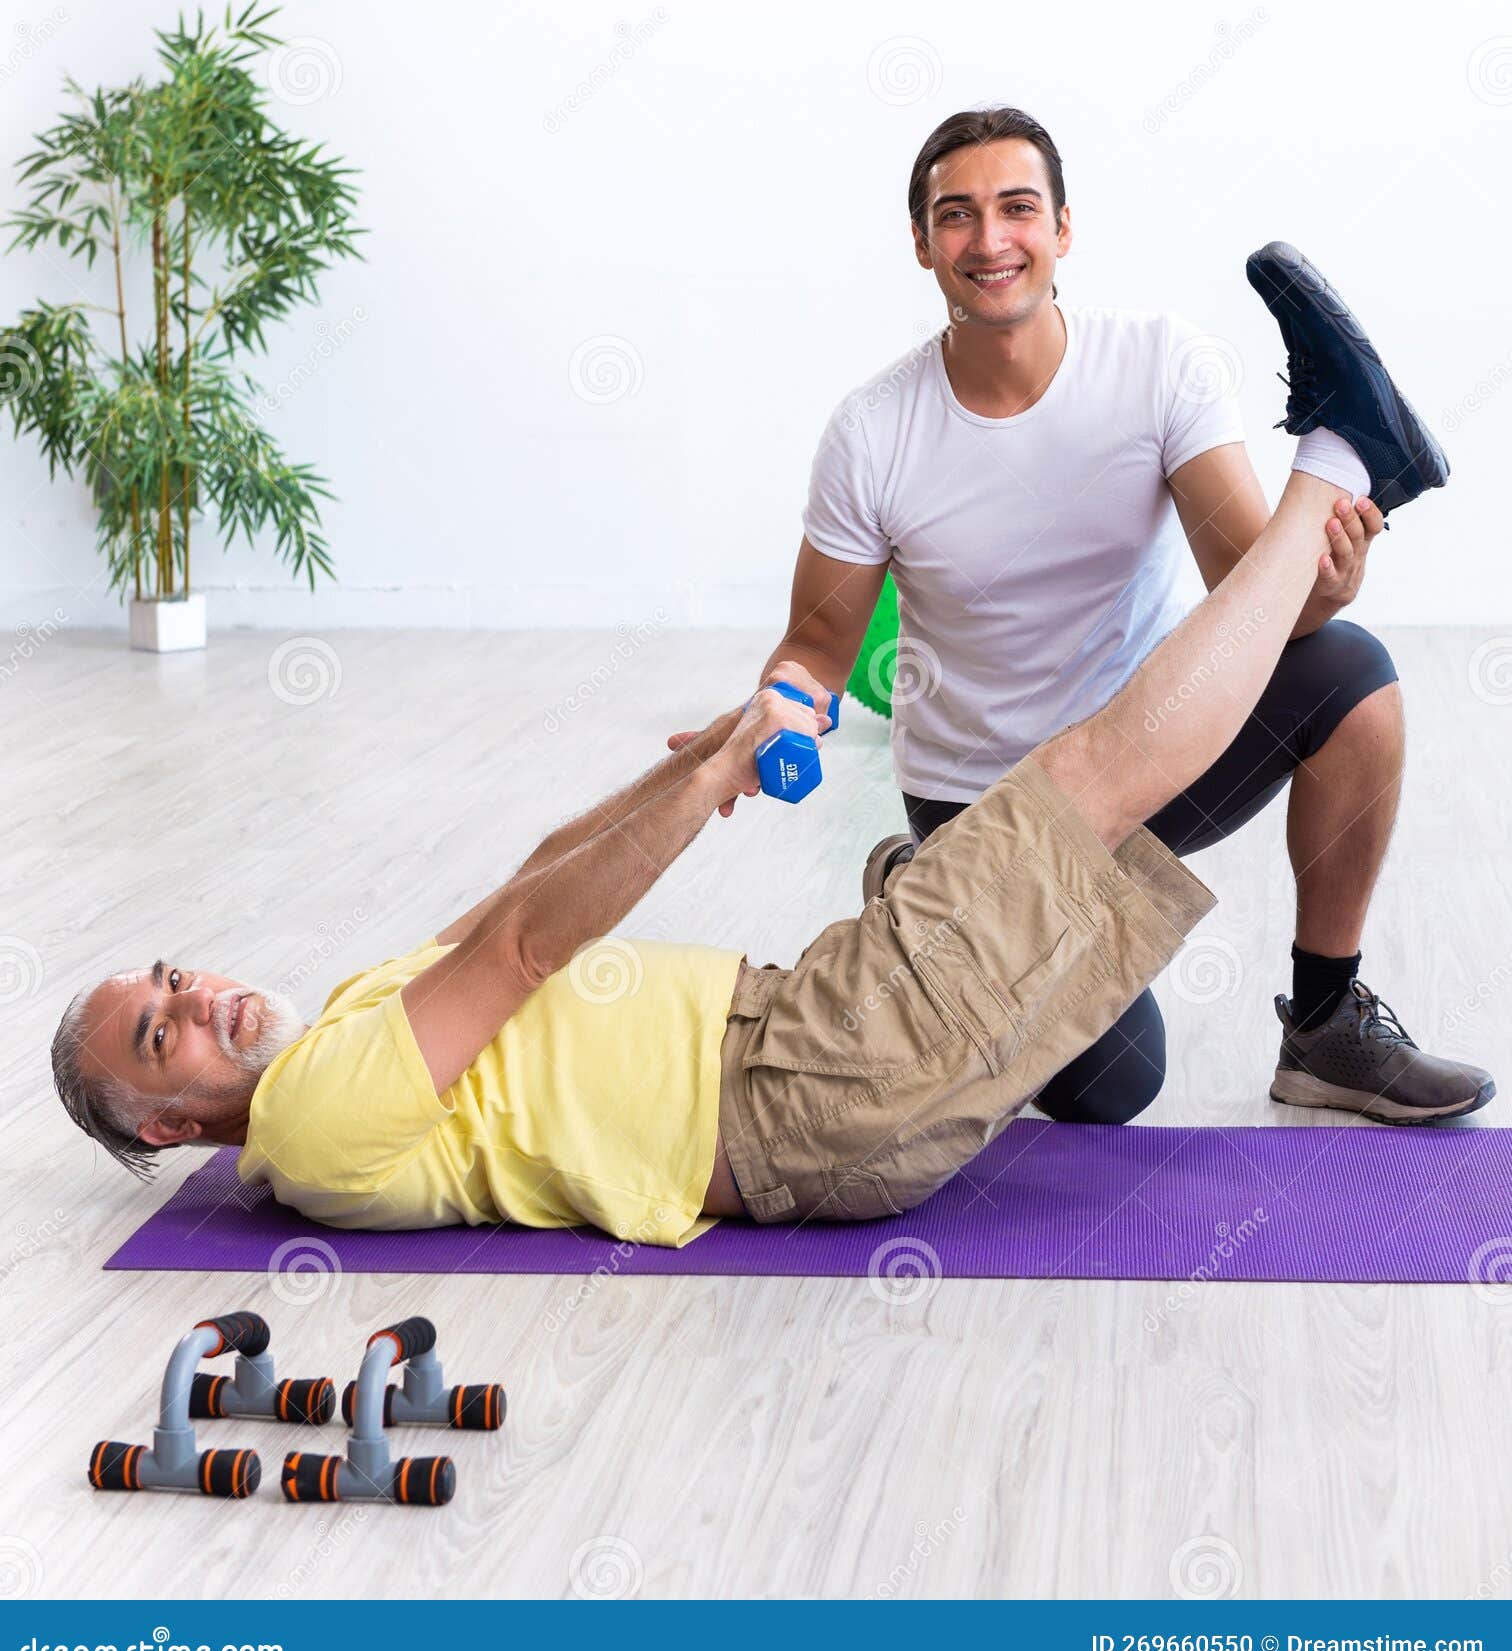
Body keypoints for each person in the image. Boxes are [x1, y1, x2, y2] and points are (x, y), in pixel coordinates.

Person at [51, 243, 1493, 1249]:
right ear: (169, 1128)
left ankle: (1153, 944)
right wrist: (710, 788)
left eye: (175, 975)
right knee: (1086, 784)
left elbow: (518, 890)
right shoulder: (309, 1117)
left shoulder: (340, 1026)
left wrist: (701, 754)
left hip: (801, 1042)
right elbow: (527, 950)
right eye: (161, 1032)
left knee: (1099, 835)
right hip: (805, 1091)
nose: (202, 998)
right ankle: (1347, 454)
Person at [710, 104, 1491, 1126]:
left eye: (1016, 208)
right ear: (922, 244)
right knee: (1112, 1086)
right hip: (978, 806)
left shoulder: (1159, 365)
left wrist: (1325, 587)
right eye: (956, 215)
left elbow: (1256, 596)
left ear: (1063, 228)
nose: (989, 239)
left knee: (1349, 670)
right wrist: (781, 705)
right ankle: (916, 882)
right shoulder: (873, 432)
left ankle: (1325, 1026)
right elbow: (819, 645)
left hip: (1153, 754)